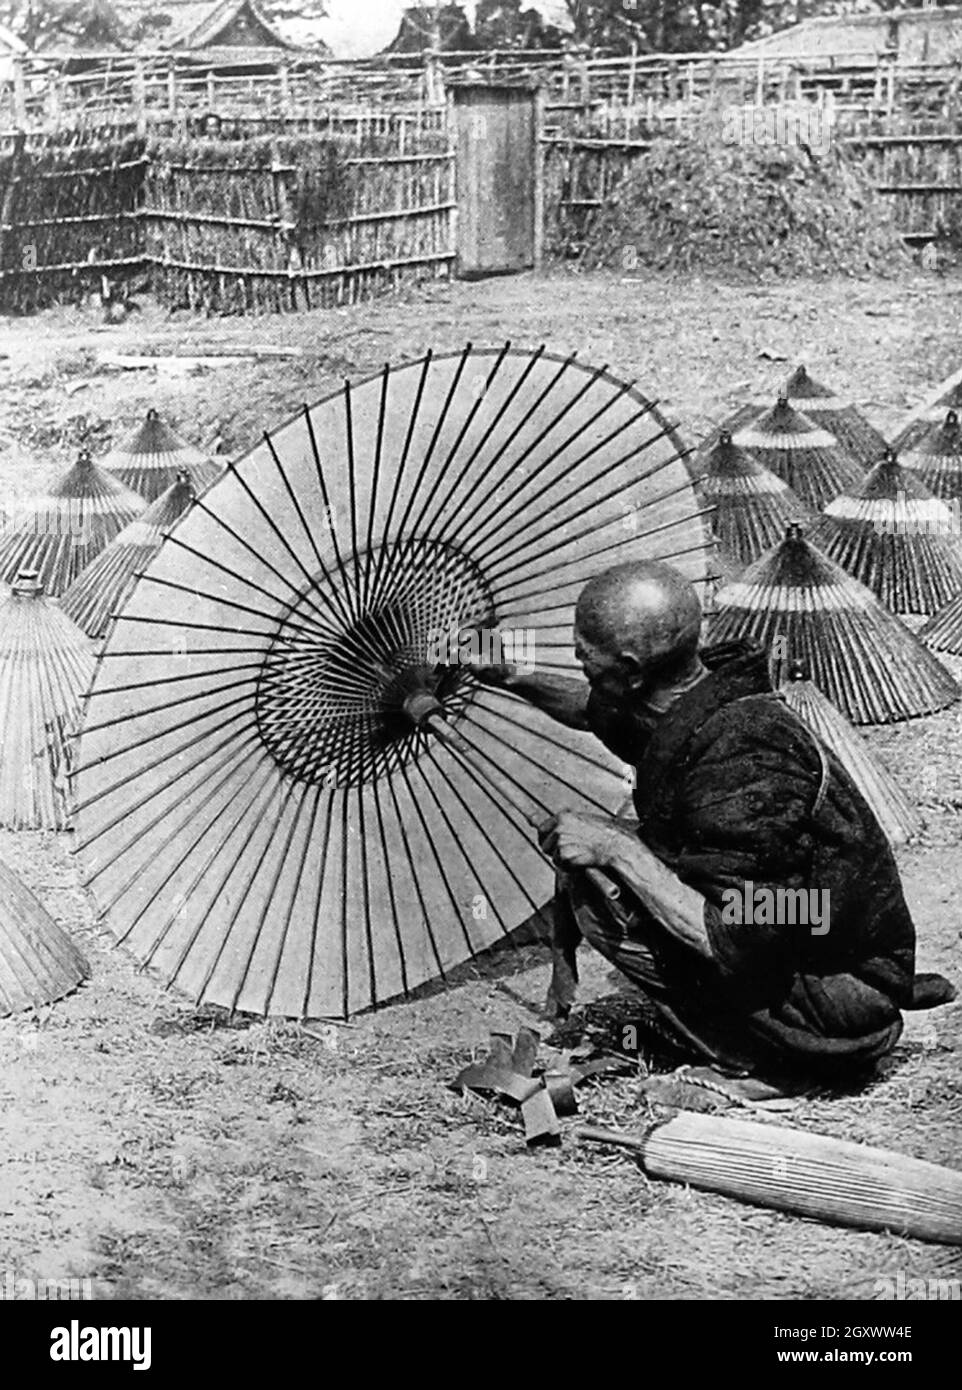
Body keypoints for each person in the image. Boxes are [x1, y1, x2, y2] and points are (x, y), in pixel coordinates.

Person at [473, 560, 954, 1086]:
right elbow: (596, 709)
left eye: (587, 654)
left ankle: (768, 1061)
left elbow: (742, 929)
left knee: (601, 879)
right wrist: (513, 677)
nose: (577, 660)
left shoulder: (744, 756)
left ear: (633, 671)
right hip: (812, 933)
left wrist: (618, 849)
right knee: (610, 867)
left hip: (834, 982)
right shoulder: (692, 697)